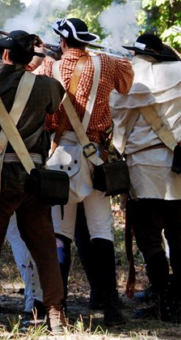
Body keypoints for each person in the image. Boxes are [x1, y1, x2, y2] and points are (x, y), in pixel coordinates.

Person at [0, 31, 66, 332]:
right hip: (34, 176)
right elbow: (55, 102)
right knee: (45, 247)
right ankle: (55, 313)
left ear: (4, 55)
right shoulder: (45, 85)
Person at [35, 17, 134, 325]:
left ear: (62, 42)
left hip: (62, 154)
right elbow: (127, 81)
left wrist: (39, 54)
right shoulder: (107, 63)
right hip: (97, 155)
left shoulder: (48, 69)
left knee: (61, 233)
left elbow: (38, 106)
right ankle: (112, 308)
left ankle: (57, 307)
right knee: (102, 231)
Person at [110, 34, 181, 322]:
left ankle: (161, 299)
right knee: (179, 233)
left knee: (149, 236)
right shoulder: (180, 73)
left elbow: (117, 124)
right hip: (178, 161)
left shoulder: (128, 77)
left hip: (143, 164)